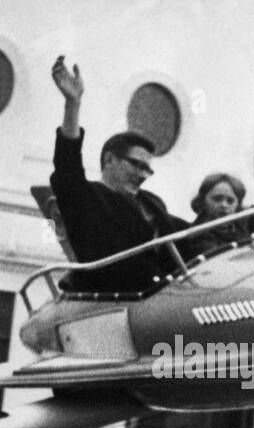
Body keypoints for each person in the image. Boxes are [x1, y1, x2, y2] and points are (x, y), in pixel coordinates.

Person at [49, 55, 188, 293]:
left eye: (148, 169)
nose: (143, 174)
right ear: (110, 160)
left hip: (163, 302)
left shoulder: (151, 203)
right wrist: (73, 104)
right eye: (136, 164)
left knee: (187, 332)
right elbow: (67, 165)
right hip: (113, 305)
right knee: (180, 333)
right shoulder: (86, 198)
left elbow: (190, 235)